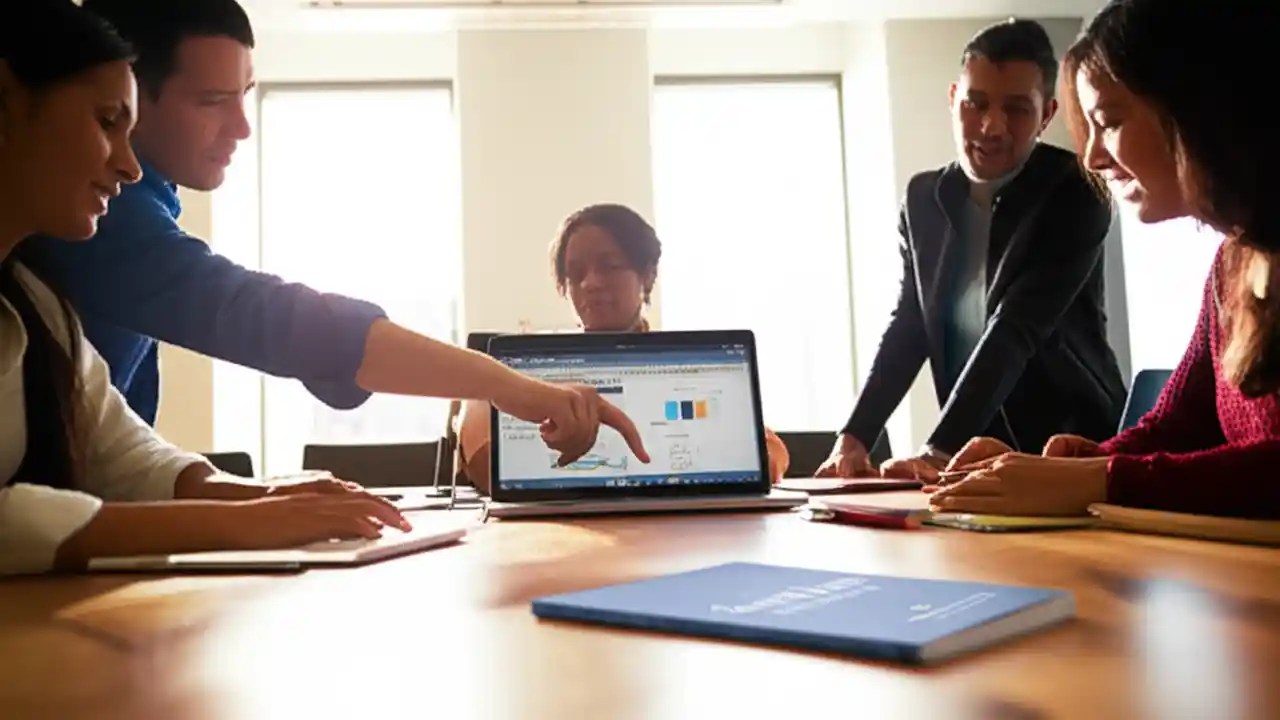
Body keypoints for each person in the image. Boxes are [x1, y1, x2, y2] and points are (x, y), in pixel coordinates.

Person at [21, 0, 647, 470]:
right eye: (212, 101)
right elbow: (261, 314)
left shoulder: (137, 207)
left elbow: (116, 460)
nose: (242, 126)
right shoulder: (101, 223)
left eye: (245, 95)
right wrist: (515, 388)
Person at [0, 0, 423, 576]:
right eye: (106, 122)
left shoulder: (33, 300)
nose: (128, 167)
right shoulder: (110, 239)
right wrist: (245, 522)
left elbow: (119, 453)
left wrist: (260, 497)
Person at [931, 0, 1280, 519]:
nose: (1092, 157)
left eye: (1109, 122)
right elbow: (1178, 429)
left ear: (1195, 109)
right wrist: (1069, 466)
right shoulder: (1232, 263)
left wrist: (1100, 478)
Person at [816, 18, 1123, 482]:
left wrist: (937, 450)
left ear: (1047, 115)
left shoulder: (1078, 191)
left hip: (1069, 449)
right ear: (952, 98)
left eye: (1016, 109)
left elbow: (1015, 328)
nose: (991, 126)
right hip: (973, 453)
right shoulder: (924, 198)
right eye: (975, 104)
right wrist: (855, 436)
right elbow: (911, 325)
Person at [457, 204, 790, 494]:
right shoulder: (526, 364)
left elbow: (771, 454)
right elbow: (481, 456)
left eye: (610, 266)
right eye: (575, 273)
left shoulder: (686, 363)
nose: (590, 283)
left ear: (648, 275)